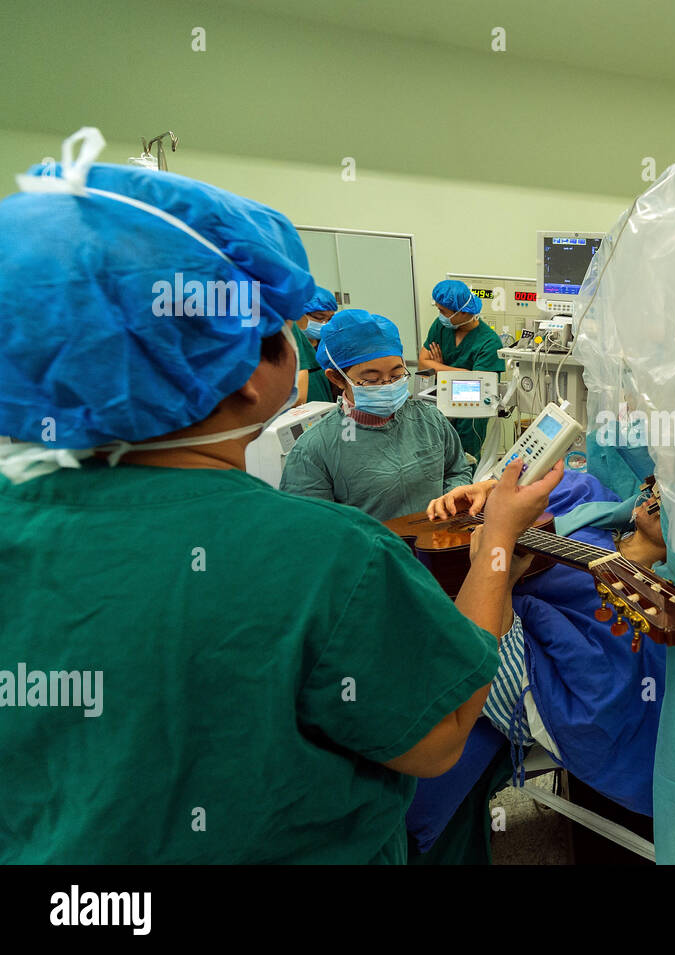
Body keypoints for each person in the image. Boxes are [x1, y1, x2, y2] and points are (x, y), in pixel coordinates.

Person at [0, 127, 562, 863]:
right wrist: (497, 549)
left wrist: (466, 496)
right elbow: (442, 730)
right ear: (250, 370)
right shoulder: (325, 555)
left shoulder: (22, 524)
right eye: (283, 327)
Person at [406, 471, 675, 865]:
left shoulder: (634, 623)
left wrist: (496, 577)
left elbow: (509, 687)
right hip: (425, 592)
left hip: (461, 651)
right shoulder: (593, 500)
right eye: (663, 490)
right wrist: (487, 490)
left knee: (417, 776)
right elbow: (544, 478)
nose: (661, 497)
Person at [280, 308, 473, 521]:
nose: (388, 385)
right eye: (371, 380)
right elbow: (312, 529)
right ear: (336, 378)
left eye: (397, 374)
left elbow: (457, 471)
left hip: (435, 546)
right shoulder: (314, 450)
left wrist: (453, 497)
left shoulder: (429, 420)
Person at [418, 279, 506, 459]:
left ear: (462, 312)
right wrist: (463, 374)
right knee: (436, 455)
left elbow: (479, 385)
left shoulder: (489, 342)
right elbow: (422, 363)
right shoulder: (440, 326)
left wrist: (439, 367)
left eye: (443, 311)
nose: (440, 315)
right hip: (439, 402)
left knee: (465, 460)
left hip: (470, 413)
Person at [291, 288, 338, 404]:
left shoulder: (329, 345)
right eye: (319, 318)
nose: (325, 324)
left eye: (330, 319)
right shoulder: (291, 345)